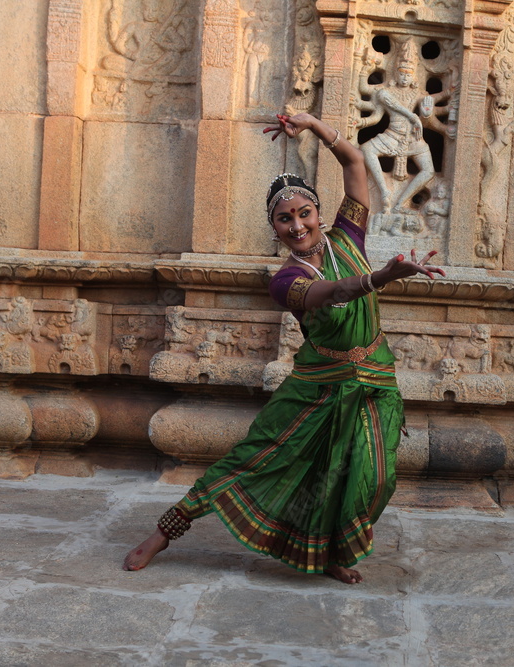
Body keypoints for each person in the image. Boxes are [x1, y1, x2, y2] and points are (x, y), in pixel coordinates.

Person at [123, 112, 444, 584]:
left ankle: (331, 552)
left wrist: (313, 125)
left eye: (303, 213)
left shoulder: (348, 236)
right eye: (284, 218)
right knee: (251, 458)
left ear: (318, 213)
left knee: (370, 476)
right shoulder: (286, 280)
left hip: (373, 378)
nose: (297, 225)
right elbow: (332, 293)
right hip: (317, 386)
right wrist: (382, 277)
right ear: (274, 228)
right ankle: (164, 532)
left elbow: (355, 163)